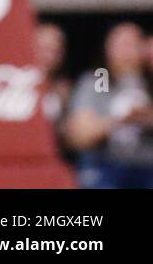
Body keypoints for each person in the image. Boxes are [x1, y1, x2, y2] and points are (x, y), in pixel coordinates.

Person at [65, 23, 153, 188]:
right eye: (120, 44)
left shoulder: (148, 80)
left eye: (132, 44)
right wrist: (122, 120)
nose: (126, 52)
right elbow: (82, 134)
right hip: (108, 166)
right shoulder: (102, 78)